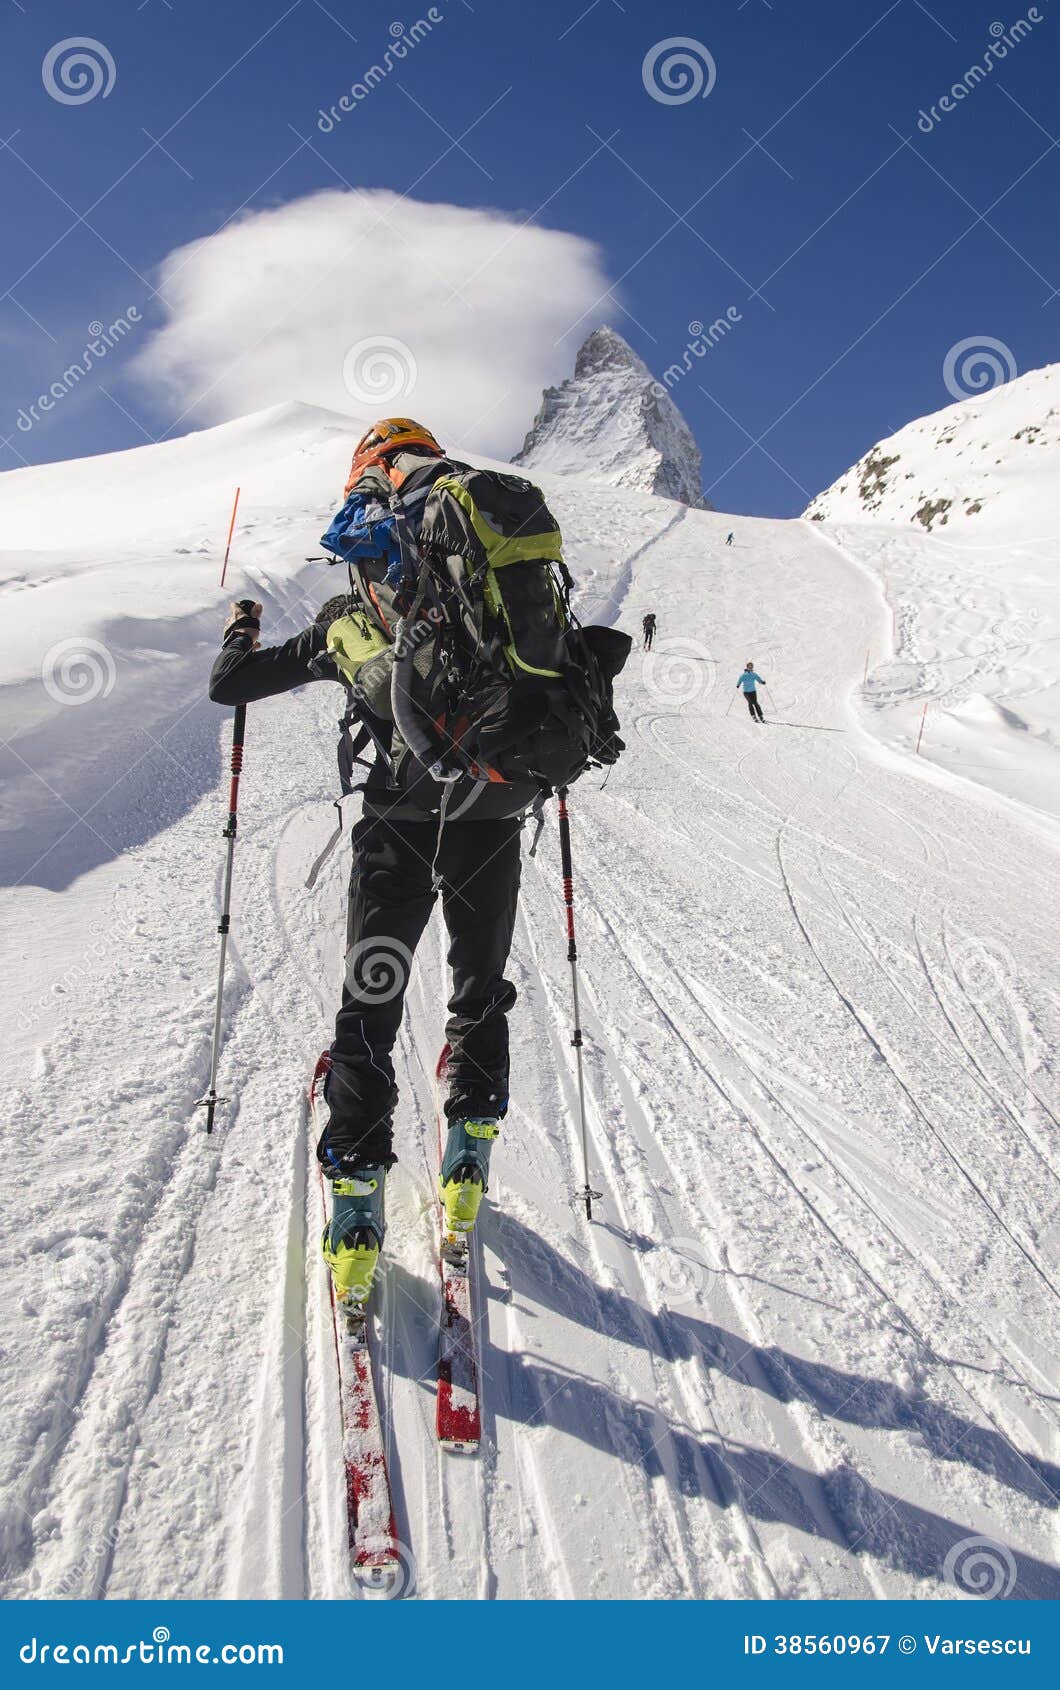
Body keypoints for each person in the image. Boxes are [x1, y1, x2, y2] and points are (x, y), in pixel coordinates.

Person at [209, 418, 533, 1306]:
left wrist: (241, 629)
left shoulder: (347, 618)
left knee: (371, 1001)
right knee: (479, 985)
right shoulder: (488, 561)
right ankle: (468, 1156)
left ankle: (356, 1208)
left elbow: (232, 685)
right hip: (493, 805)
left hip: (400, 816)